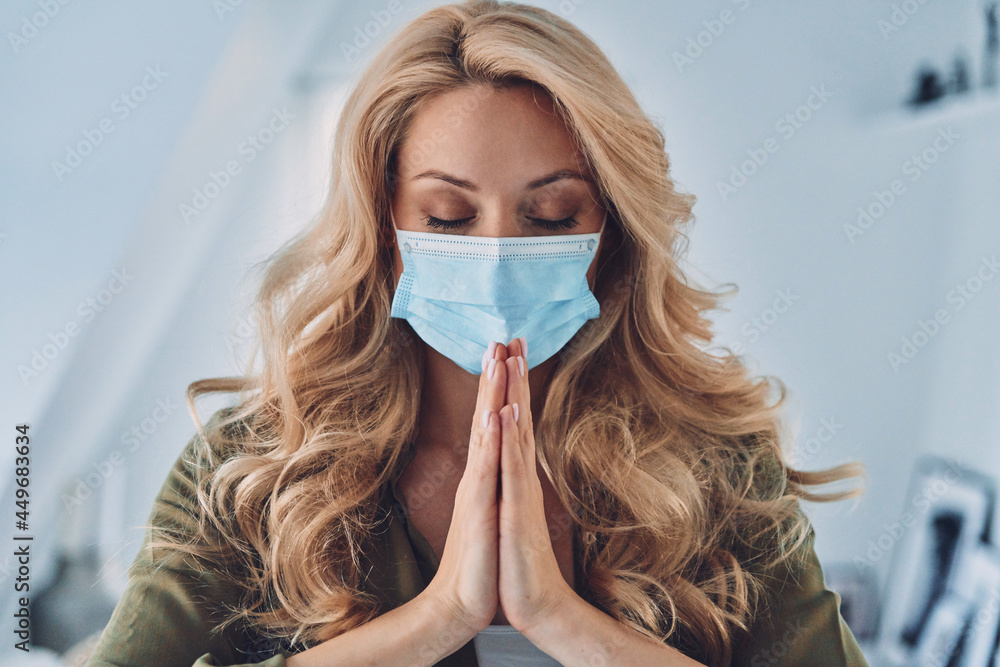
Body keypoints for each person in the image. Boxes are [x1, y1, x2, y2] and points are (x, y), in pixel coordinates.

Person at [85, 1, 869, 665]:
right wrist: (436, 618)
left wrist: (565, 620)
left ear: (611, 231)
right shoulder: (249, 468)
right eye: (449, 217)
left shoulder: (721, 468)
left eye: (551, 216)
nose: (498, 255)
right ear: (387, 227)